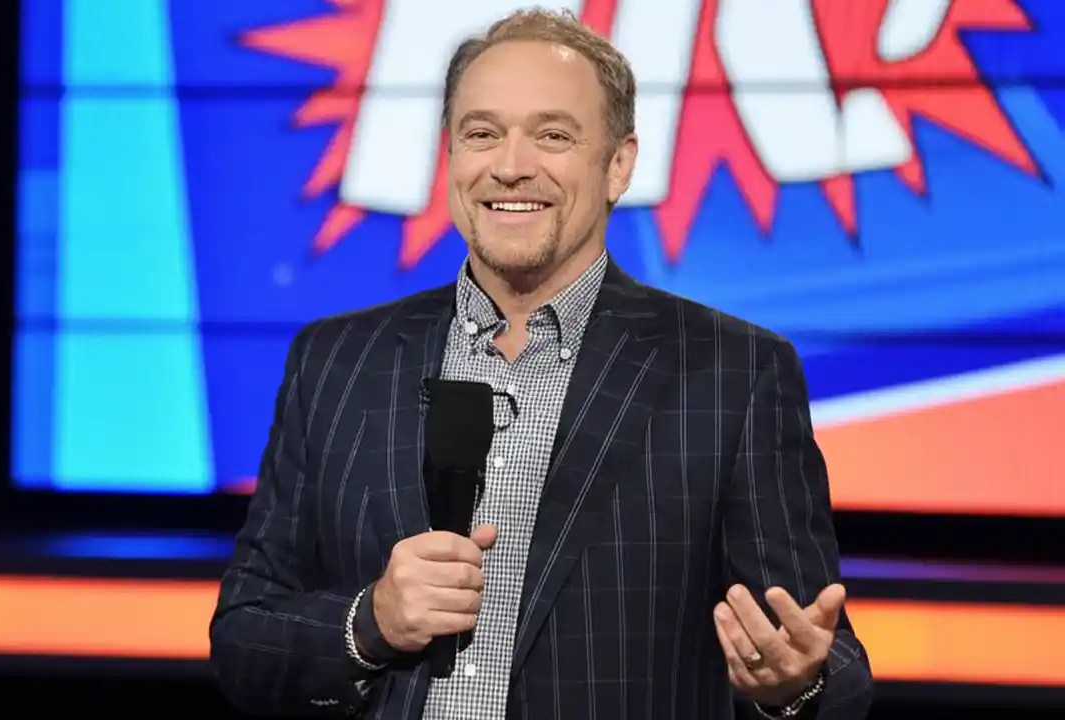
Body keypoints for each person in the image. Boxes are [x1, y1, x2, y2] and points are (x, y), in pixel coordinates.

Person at [210, 8, 872, 719]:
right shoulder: (336, 363)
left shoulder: (733, 374)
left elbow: (830, 661)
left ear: (618, 164)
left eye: (552, 135)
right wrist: (371, 623)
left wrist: (791, 684)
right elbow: (245, 638)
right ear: (451, 157)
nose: (510, 165)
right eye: (482, 134)